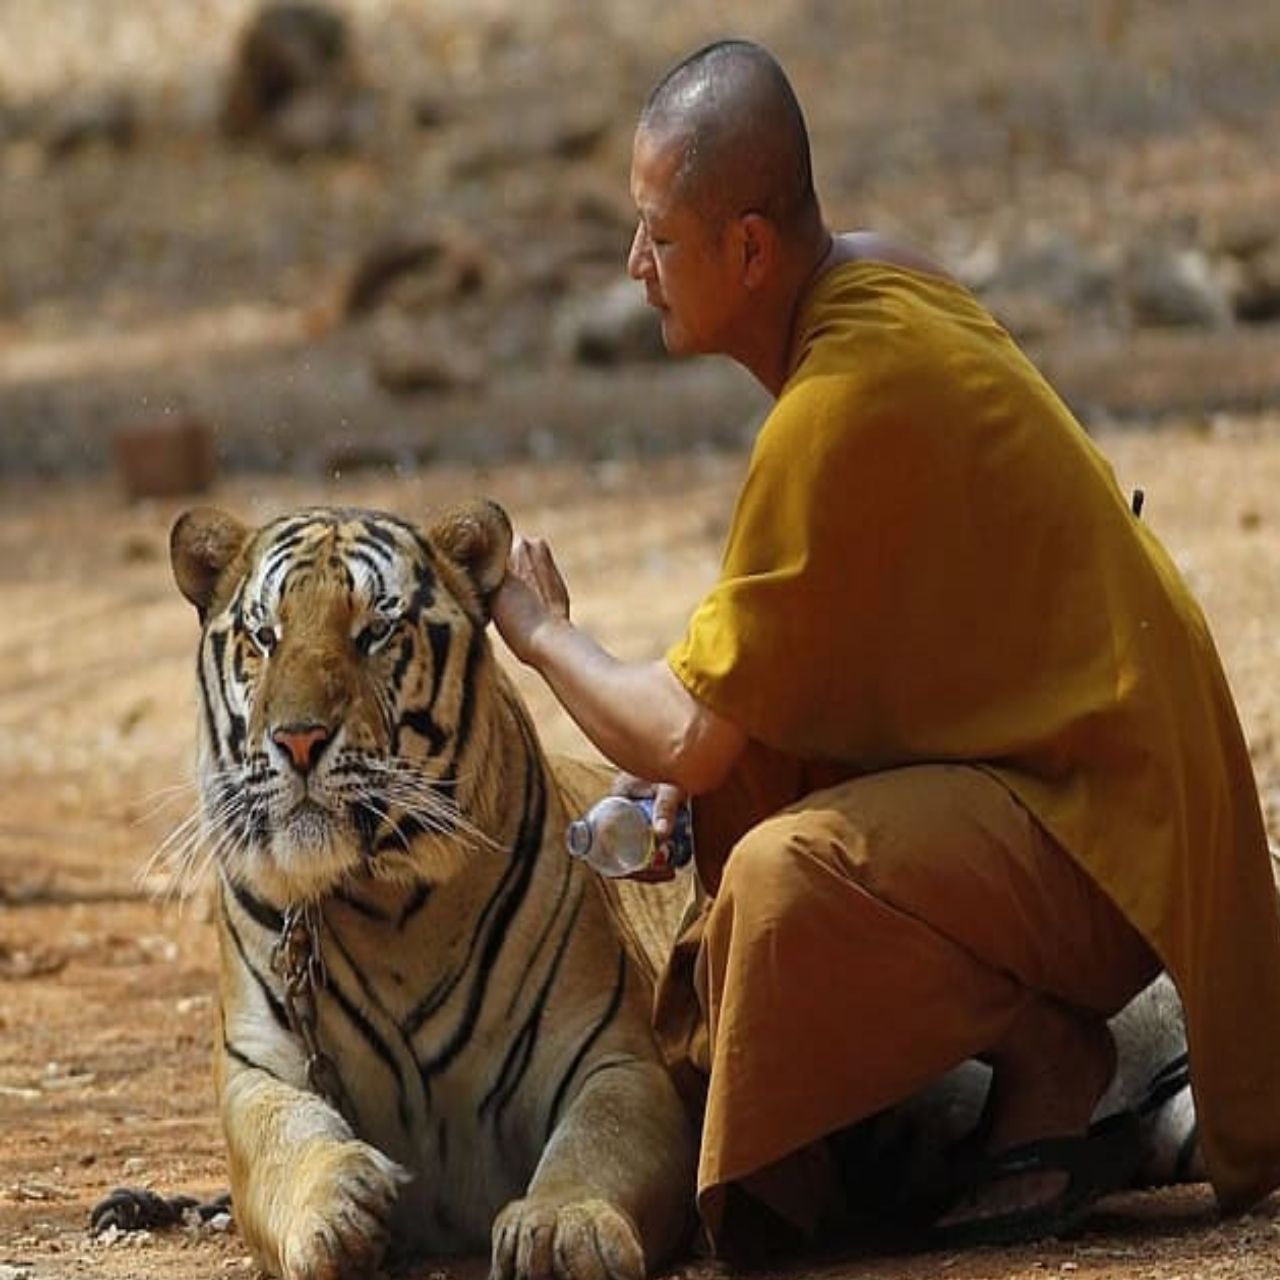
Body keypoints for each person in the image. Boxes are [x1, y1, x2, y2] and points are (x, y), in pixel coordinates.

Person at [492, 37, 1280, 1255]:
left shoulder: (836, 405)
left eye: (658, 234)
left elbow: (687, 733)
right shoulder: (871, 286)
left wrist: (542, 634)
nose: (633, 265)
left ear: (748, 249)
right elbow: (797, 670)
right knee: (744, 786)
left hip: (1115, 834)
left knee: (773, 885)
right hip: (1092, 781)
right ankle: (1018, 1058)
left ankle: (1046, 1051)